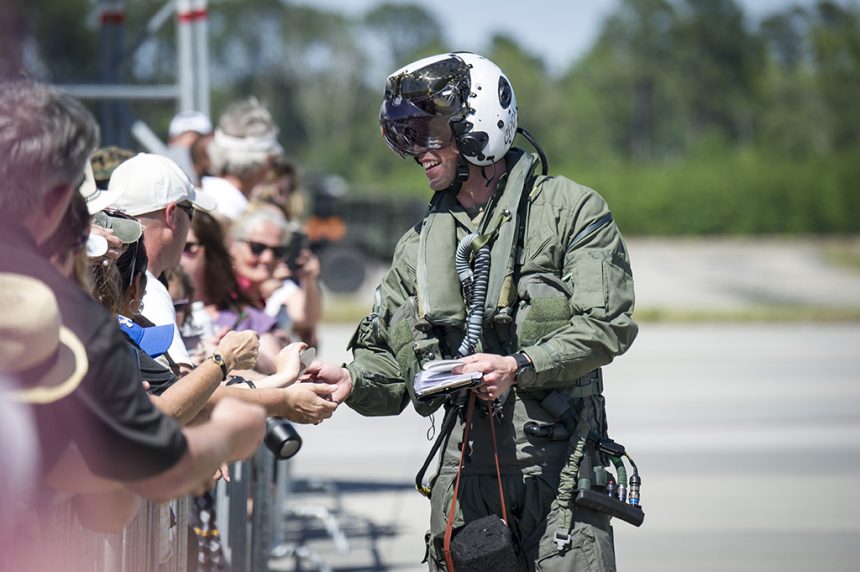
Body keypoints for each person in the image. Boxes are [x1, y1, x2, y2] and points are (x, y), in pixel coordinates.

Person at [306, 53, 638, 571]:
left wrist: (520, 366)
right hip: (466, 478)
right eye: (409, 136)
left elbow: (607, 325)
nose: (419, 151)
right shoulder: (417, 247)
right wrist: (350, 380)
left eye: (430, 135)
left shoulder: (571, 211)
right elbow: (390, 366)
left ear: (479, 128)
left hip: (562, 475)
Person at [0, 80, 267, 506]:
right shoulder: (61, 312)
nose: (98, 232)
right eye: (80, 209)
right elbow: (136, 465)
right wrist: (226, 435)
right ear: (54, 203)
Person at [108, 152, 217, 372]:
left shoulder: (103, 276)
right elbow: (180, 385)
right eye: (191, 211)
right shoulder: (148, 287)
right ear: (171, 213)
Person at [181, 210, 289, 373]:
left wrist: (237, 351)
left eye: (188, 247)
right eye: (257, 248)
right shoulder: (144, 304)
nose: (268, 258)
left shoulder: (245, 315)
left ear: (211, 251)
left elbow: (279, 371)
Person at [229, 207, 322, 345]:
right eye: (257, 248)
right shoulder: (220, 286)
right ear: (233, 245)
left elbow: (306, 319)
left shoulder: (278, 285)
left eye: (278, 251)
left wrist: (308, 279)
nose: (267, 258)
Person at [204, 98, 284, 221]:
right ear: (262, 162)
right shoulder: (229, 212)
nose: (272, 170)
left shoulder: (202, 193)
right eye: (274, 161)